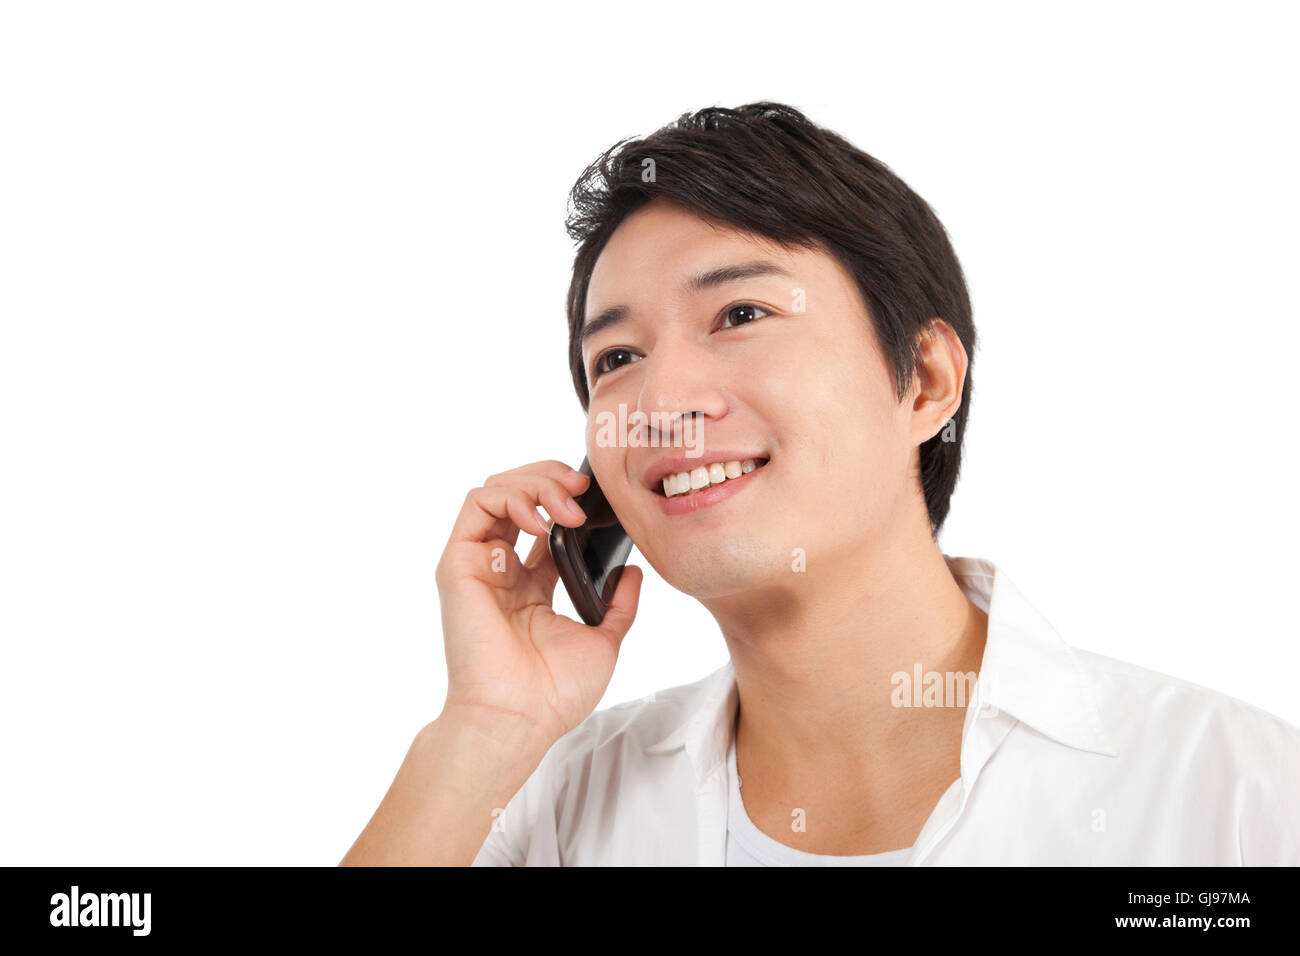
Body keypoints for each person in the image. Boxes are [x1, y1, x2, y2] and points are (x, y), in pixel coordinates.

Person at [340, 102, 1300, 866]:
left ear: (923, 381)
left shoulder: (1237, 797)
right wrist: (483, 731)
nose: (662, 400)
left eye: (740, 311)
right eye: (618, 356)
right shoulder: (550, 811)